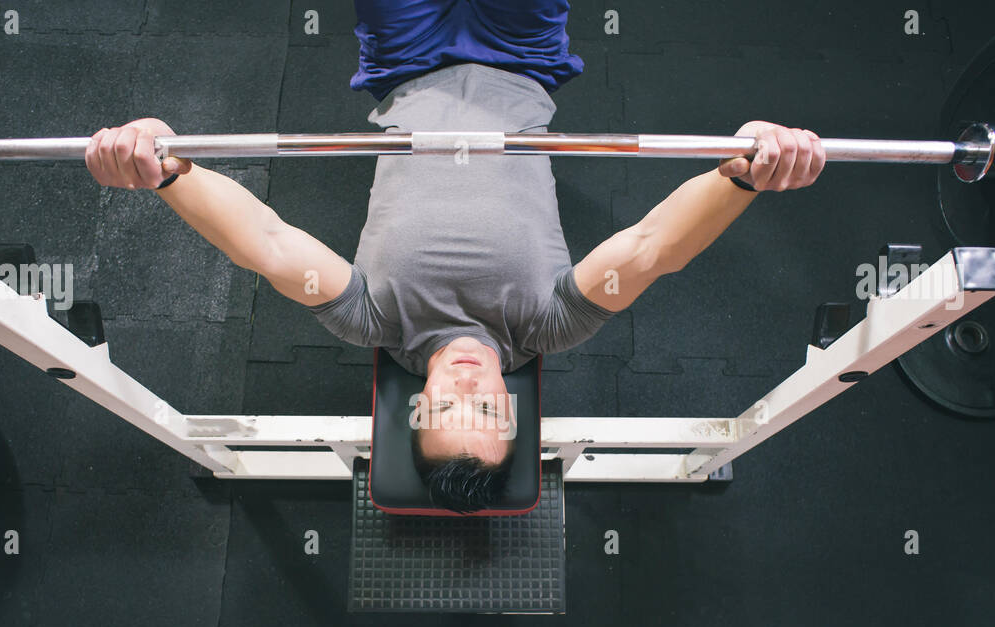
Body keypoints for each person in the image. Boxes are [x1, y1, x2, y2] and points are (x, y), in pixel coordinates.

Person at [83, 1, 826, 512]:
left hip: (406, 66)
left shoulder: (373, 319)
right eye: (487, 411)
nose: (468, 389)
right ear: (513, 409)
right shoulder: (550, 323)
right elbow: (653, 249)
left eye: (445, 408)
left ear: (415, 406)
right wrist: (742, 172)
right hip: (520, 60)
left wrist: (170, 170)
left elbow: (268, 245)